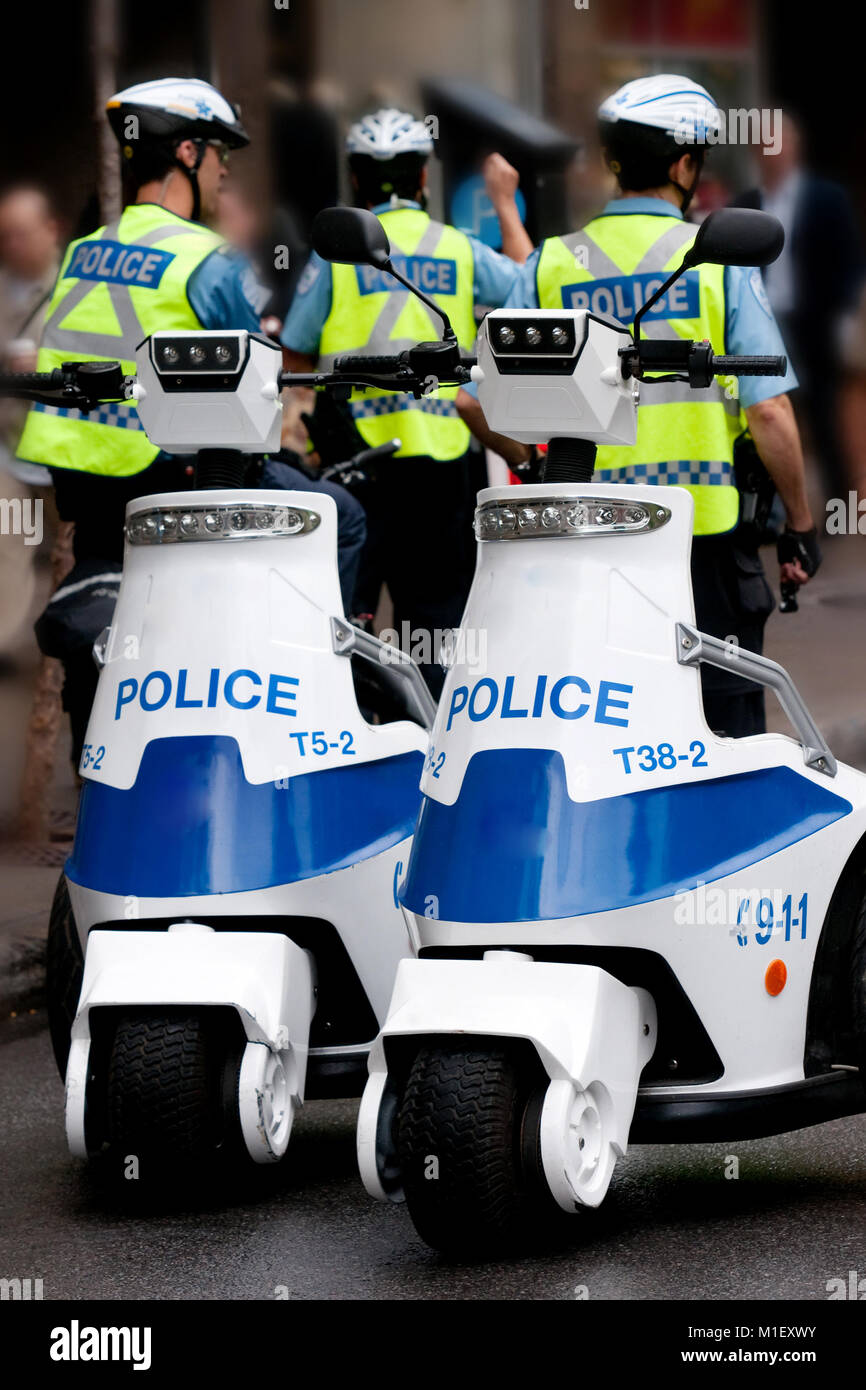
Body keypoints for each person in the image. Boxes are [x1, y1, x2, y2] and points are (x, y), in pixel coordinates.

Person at [458, 74, 820, 738]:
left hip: (588, 549)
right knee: (724, 740)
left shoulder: (551, 263)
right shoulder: (717, 261)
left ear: (611, 162)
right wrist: (800, 523)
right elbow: (768, 412)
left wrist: (534, 466)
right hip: (701, 544)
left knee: (605, 732)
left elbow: (471, 402)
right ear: (683, 166)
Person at [15, 77, 365, 762]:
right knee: (340, 517)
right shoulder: (205, 258)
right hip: (172, 475)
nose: (225, 169)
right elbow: (256, 382)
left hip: (84, 484)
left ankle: (98, 759)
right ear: (187, 153)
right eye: (219, 153)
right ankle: (313, 700)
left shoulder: (84, 251)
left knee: (100, 597)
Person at [281, 108, 532, 693]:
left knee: (350, 625)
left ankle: (361, 726)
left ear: (356, 179)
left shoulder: (335, 252)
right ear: (423, 177)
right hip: (445, 465)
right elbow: (531, 286)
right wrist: (504, 203)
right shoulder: (457, 247)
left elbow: (295, 352)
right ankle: (434, 732)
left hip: (358, 467)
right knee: (438, 631)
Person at [732, 116, 864, 500]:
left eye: (780, 141)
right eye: (765, 143)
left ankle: (839, 499)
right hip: (761, 321)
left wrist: (844, 317)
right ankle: (770, 503)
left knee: (825, 414)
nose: (773, 151)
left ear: (795, 146)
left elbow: (849, 259)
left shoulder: (827, 198)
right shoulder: (746, 204)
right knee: (766, 408)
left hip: (813, 322)